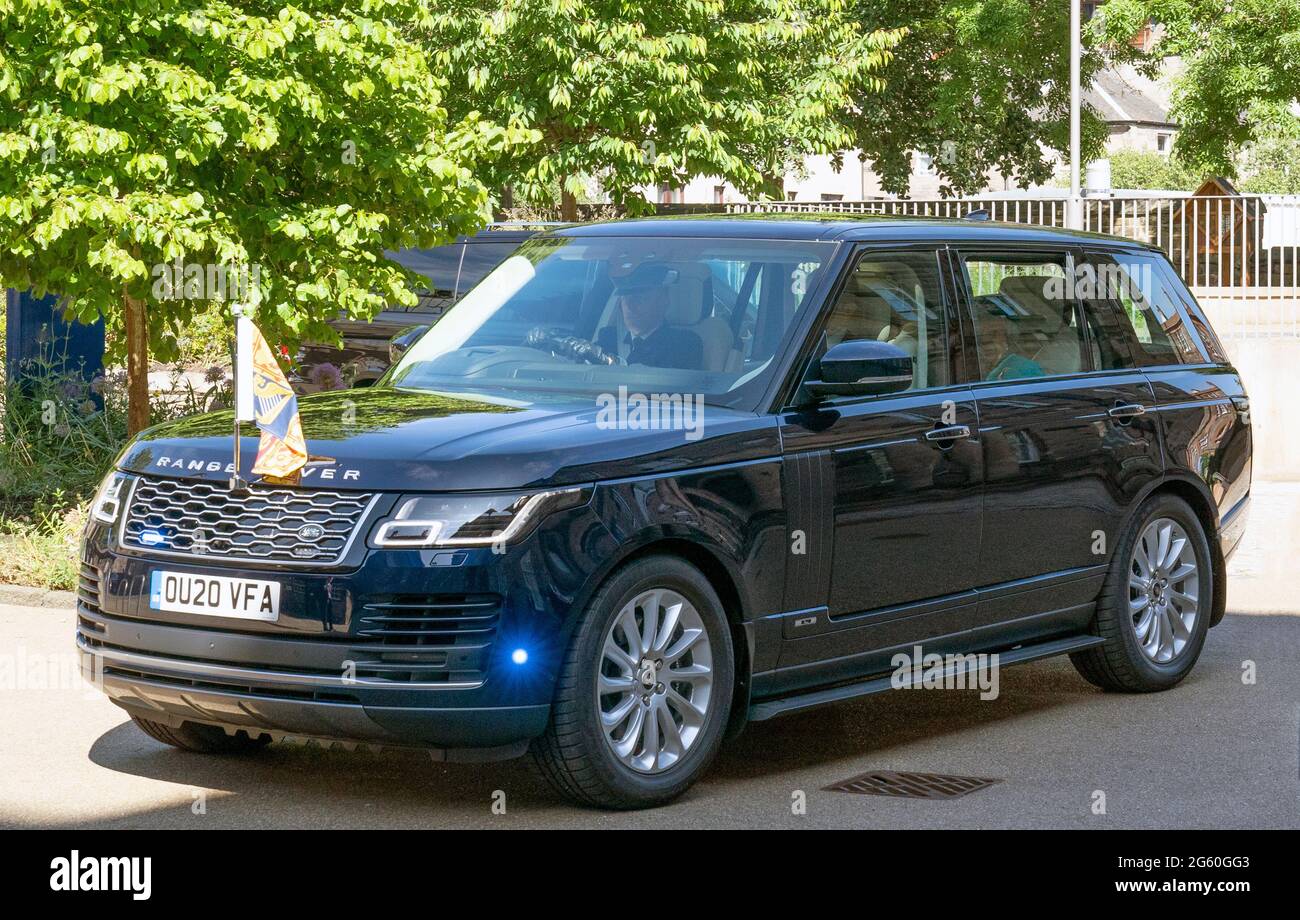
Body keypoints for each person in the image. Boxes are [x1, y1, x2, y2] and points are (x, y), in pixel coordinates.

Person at [596, 263, 703, 370]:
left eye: (639, 298)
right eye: (625, 298)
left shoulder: (684, 344)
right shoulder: (608, 338)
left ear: (663, 301)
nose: (629, 306)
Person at [982, 313, 1046, 381]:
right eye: (982, 336)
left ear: (1006, 340)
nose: (986, 341)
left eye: (992, 335)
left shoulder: (1026, 368)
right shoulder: (983, 368)